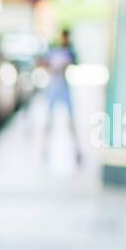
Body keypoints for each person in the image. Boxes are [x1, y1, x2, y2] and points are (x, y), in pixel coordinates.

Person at [41, 27, 81, 167]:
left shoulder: (69, 51)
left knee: (70, 120)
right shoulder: (54, 50)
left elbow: (75, 63)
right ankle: (44, 148)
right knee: (49, 119)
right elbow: (44, 63)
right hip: (54, 88)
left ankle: (77, 149)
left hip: (64, 88)